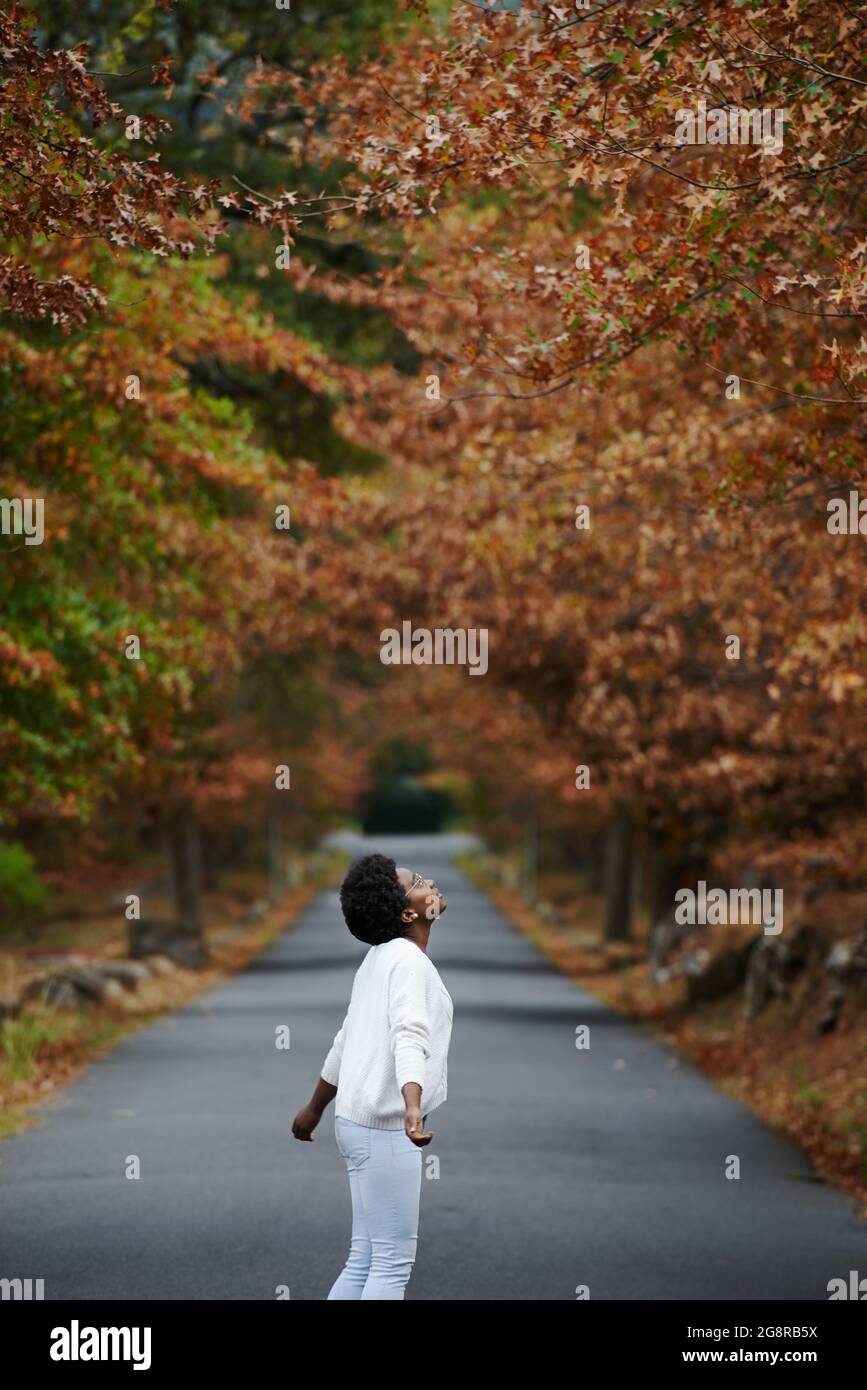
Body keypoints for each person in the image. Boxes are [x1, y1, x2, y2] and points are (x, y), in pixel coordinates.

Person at [291, 853, 453, 1300]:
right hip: (385, 1127)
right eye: (419, 882)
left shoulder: (379, 958)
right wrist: (413, 1106)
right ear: (407, 912)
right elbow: (409, 1035)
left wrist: (315, 1107)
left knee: (365, 1258)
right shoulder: (407, 962)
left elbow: (347, 1039)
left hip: (355, 1123)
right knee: (391, 1265)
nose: (431, 882)